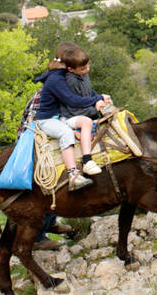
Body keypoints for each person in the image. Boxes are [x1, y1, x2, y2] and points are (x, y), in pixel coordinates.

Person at [33, 42, 113, 192]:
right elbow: (72, 100)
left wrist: (97, 98)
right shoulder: (57, 79)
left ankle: (86, 157)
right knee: (66, 133)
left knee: (86, 122)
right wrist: (98, 98)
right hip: (49, 119)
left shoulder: (65, 74)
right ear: (67, 63)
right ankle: (73, 175)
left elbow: (86, 90)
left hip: (60, 116)